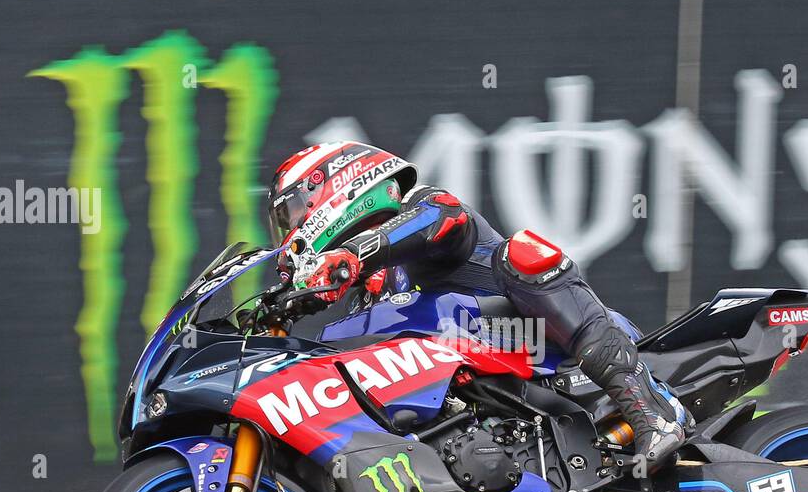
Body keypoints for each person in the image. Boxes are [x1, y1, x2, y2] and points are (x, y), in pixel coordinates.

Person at [266, 141, 689, 469]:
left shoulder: (424, 209)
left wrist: (354, 253)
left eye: (295, 210)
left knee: (522, 255)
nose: (293, 227)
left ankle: (650, 410)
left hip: (545, 350)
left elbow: (442, 218)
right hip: (483, 403)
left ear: (336, 183)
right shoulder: (368, 293)